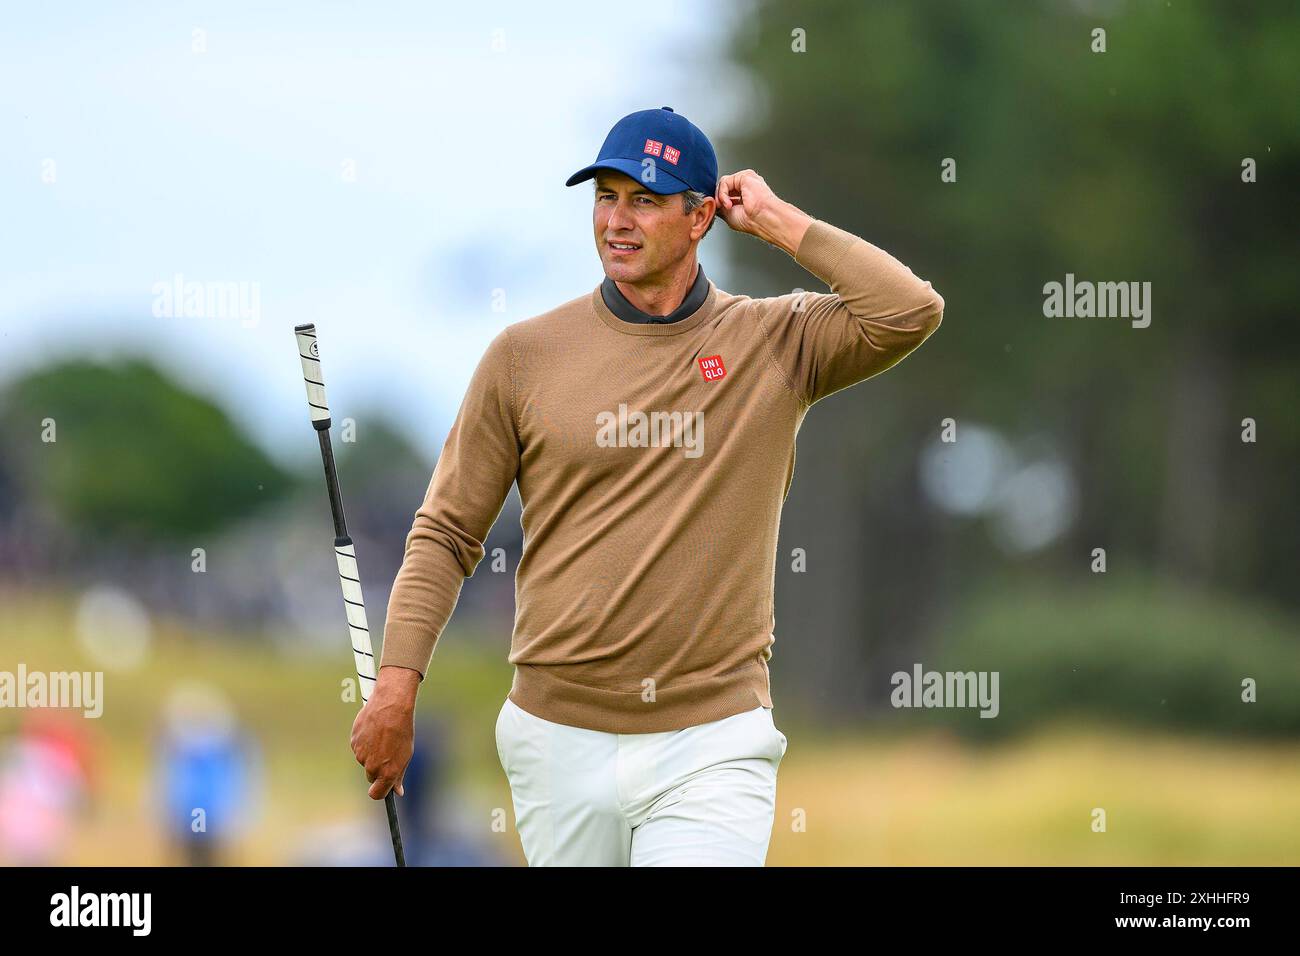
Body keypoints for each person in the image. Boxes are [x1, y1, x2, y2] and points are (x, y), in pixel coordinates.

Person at [351, 106, 944, 865]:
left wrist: (776, 221)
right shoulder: (524, 355)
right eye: (606, 196)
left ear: (701, 217)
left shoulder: (775, 342)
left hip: (712, 742)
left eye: (646, 199)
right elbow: (446, 532)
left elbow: (908, 312)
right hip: (556, 738)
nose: (617, 221)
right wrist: (397, 690)